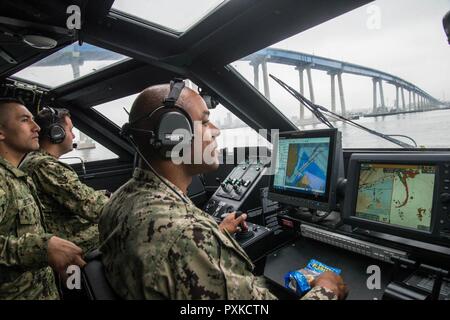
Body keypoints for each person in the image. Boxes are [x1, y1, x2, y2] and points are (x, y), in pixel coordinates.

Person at [98, 82, 347, 300]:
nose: (216, 130)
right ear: (173, 136)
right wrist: (326, 289)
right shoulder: (186, 234)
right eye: (205, 121)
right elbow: (180, 244)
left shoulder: (120, 199)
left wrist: (217, 234)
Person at [0, 97, 86, 299]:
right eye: (24, 120)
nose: (37, 127)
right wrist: (43, 248)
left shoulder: (16, 176)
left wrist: (50, 256)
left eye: (33, 119)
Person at [20, 107, 109, 253]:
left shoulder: (34, 160)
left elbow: (77, 197)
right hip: (70, 240)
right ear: (57, 133)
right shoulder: (46, 166)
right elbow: (96, 209)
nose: (73, 136)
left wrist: (107, 195)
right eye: (71, 130)